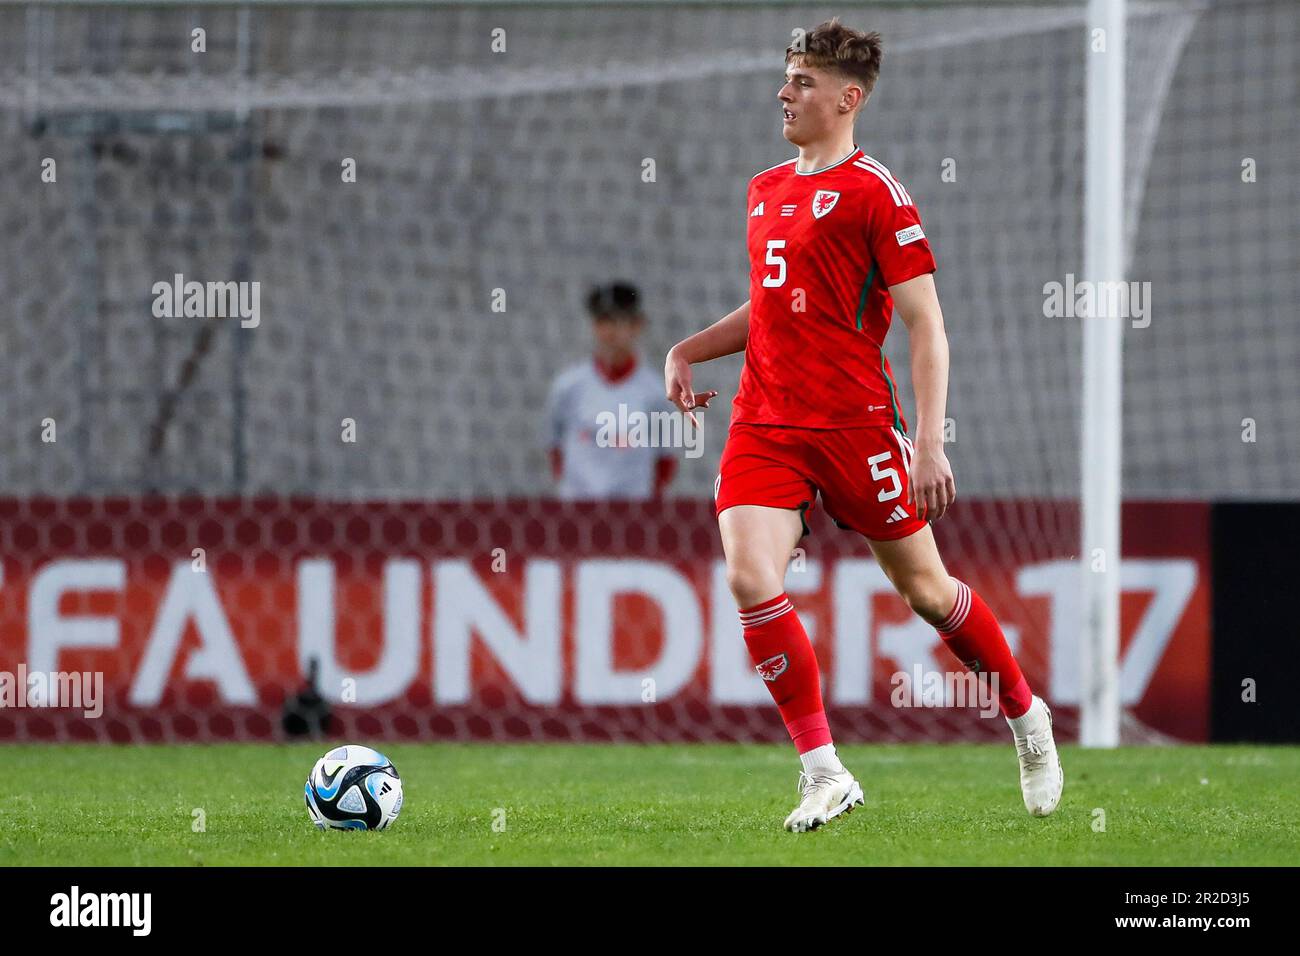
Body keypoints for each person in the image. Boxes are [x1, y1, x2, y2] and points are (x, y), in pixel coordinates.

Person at [664, 19, 1063, 832]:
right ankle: (823, 771)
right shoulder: (765, 187)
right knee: (748, 577)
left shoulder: (876, 192)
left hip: (855, 426)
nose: (785, 91)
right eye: (786, 76)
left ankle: (1026, 717)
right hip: (765, 421)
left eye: (803, 81)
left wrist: (930, 441)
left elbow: (926, 326)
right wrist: (689, 349)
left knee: (925, 591)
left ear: (848, 99)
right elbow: (771, 308)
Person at [546, 281, 678, 500]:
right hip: (578, 509)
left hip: (632, 512)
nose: (610, 332)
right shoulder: (568, 387)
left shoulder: (656, 393)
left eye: (619, 322)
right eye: (603, 321)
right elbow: (554, 446)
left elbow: (665, 460)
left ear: (637, 325)